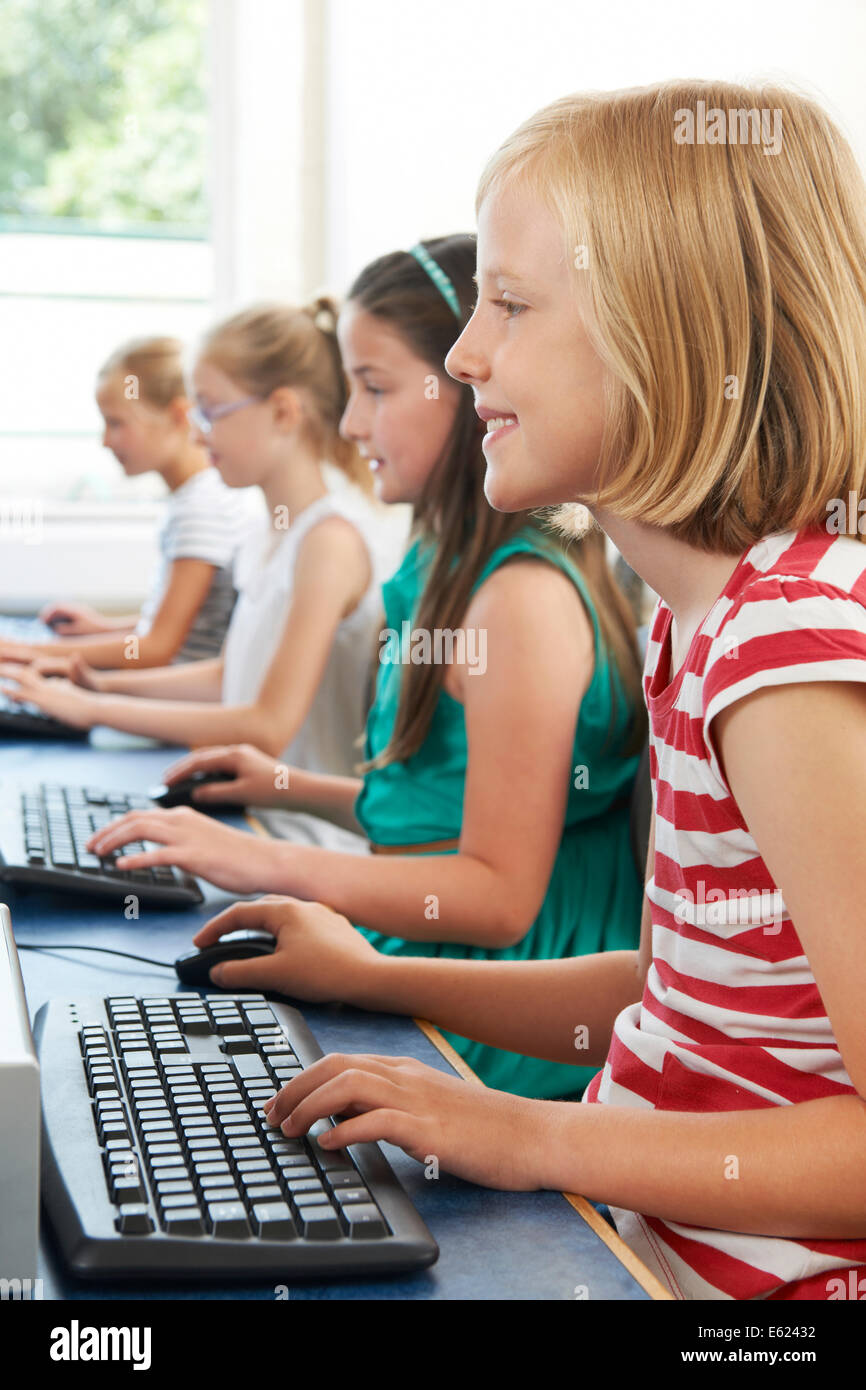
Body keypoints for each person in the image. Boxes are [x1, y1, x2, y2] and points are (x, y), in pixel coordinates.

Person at [182, 83, 866, 1300]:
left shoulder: (787, 653)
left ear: (668, 331)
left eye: (507, 303)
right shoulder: (699, 627)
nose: (463, 354)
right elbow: (668, 994)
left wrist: (523, 1131)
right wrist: (370, 977)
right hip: (630, 1241)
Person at [85, 235, 646, 1100]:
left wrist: (266, 860)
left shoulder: (520, 599)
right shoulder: (439, 568)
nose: (349, 424)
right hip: (455, 958)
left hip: (502, 1006)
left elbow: (497, 895)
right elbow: (446, 810)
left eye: (375, 390)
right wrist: (286, 786)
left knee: (207, 1065)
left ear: (469, 392)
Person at [1, 302, 399, 854]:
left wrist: (93, 709)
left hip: (301, 842)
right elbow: (228, 676)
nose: (198, 431)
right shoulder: (270, 533)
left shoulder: (329, 543)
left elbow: (266, 725)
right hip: (248, 820)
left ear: (283, 412)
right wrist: (99, 684)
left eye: (211, 412)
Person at [0, 336, 241, 668]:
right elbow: (179, 626)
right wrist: (102, 628)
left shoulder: (201, 509)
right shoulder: (195, 498)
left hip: (168, 697)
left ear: (177, 416)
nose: (104, 441)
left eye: (116, 423)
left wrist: (24, 652)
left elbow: (157, 647)